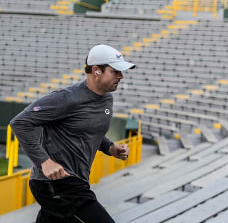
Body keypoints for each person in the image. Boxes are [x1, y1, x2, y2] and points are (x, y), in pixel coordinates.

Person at [10, 45, 135, 223]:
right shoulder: (66, 98)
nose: (121, 76)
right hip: (55, 183)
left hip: (78, 180)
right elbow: (20, 123)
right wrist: (45, 162)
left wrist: (110, 148)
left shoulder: (107, 98)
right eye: (115, 71)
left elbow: (88, 131)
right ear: (96, 71)